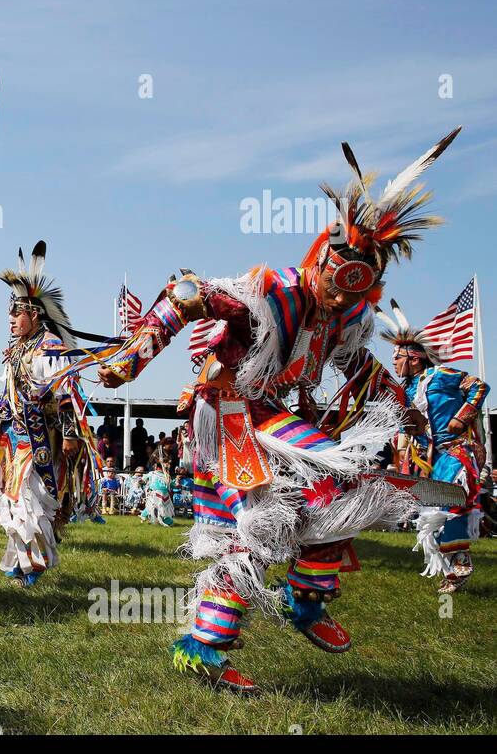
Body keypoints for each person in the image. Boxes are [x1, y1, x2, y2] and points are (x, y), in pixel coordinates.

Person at [97, 128, 459, 692]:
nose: (338, 299)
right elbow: (186, 291)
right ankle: (210, 646)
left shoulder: (340, 320)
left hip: (266, 417)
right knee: (269, 523)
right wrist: (134, 358)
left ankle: (299, 599)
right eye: (335, 285)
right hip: (229, 417)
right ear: (319, 259)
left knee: (347, 490)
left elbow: (359, 366)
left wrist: (405, 411)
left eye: (353, 293)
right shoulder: (274, 293)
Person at [0, 242, 97, 587]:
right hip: (14, 439)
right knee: (12, 503)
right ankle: (21, 563)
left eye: (17, 314)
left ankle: (33, 567)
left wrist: (72, 435)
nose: (11, 320)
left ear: (35, 315)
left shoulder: (50, 350)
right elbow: (8, 395)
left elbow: (68, 394)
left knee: (31, 502)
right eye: (10, 314)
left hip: (42, 438)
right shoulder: (17, 352)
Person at [380, 303, 489, 592]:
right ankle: (457, 563)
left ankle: (461, 564)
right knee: (433, 513)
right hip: (431, 458)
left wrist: (460, 416)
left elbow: (479, 386)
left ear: (415, 358)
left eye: (397, 356)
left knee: (452, 500)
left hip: (457, 448)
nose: (393, 361)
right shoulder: (406, 389)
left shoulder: (442, 374)